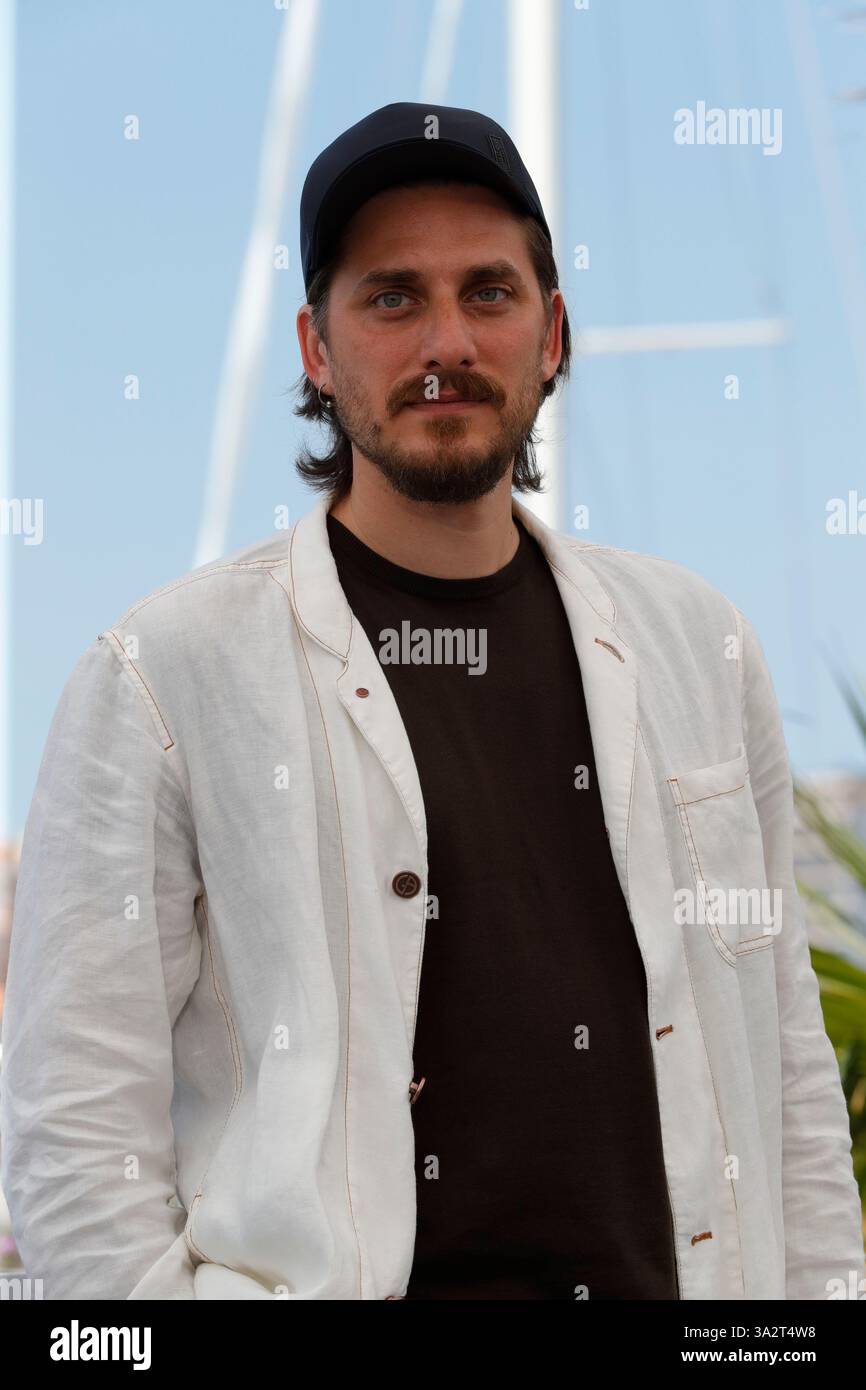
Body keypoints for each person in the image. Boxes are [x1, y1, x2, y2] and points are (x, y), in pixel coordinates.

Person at [1, 102, 862, 1301]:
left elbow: (785, 1076)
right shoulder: (161, 673)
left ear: (552, 331)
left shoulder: (698, 645)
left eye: (489, 294)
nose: (444, 340)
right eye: (391, 297)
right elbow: (71, 1133)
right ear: (316, 345)